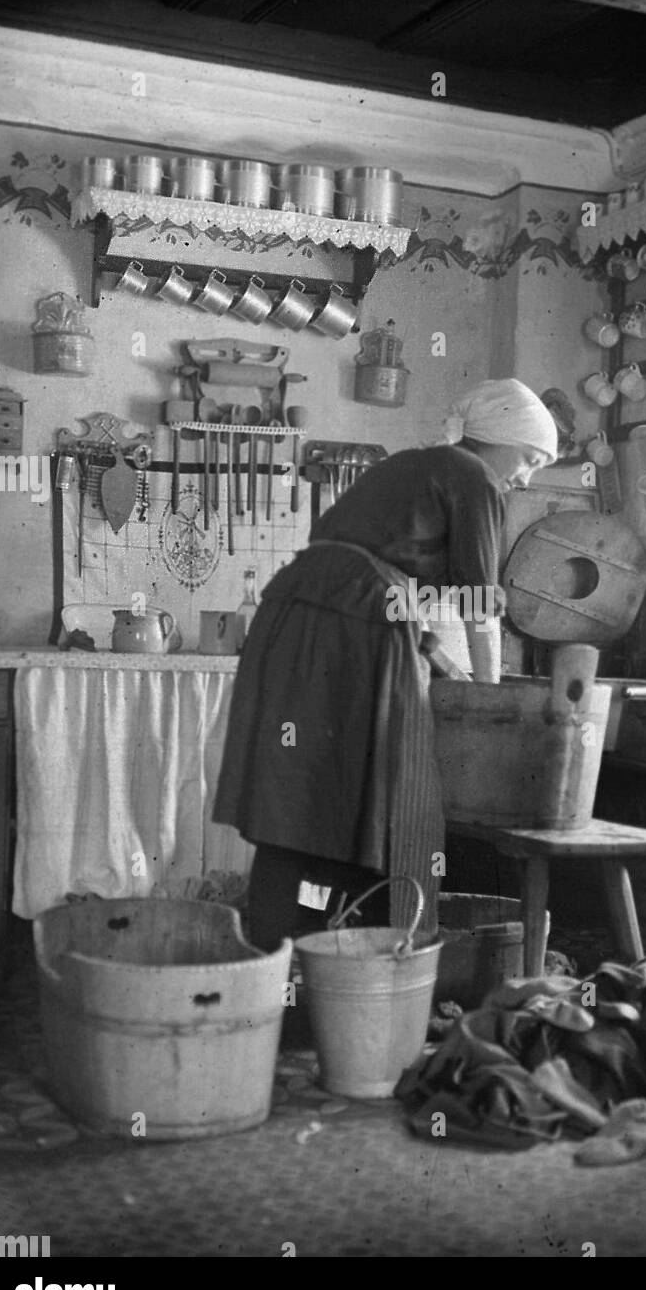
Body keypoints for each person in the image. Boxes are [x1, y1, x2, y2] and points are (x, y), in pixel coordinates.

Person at [213, 377, 559, 950]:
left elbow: (386, 580)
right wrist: (491, 696)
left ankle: (272, 954)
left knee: (301, 796)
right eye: (528, 459)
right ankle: (358, 958)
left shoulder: (417, 467)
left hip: (294, 616)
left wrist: (432, 652)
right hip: (350, 630)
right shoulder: (475, 478)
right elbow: (478, 603)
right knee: (371, 794)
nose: (526, 477)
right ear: (495, 441)